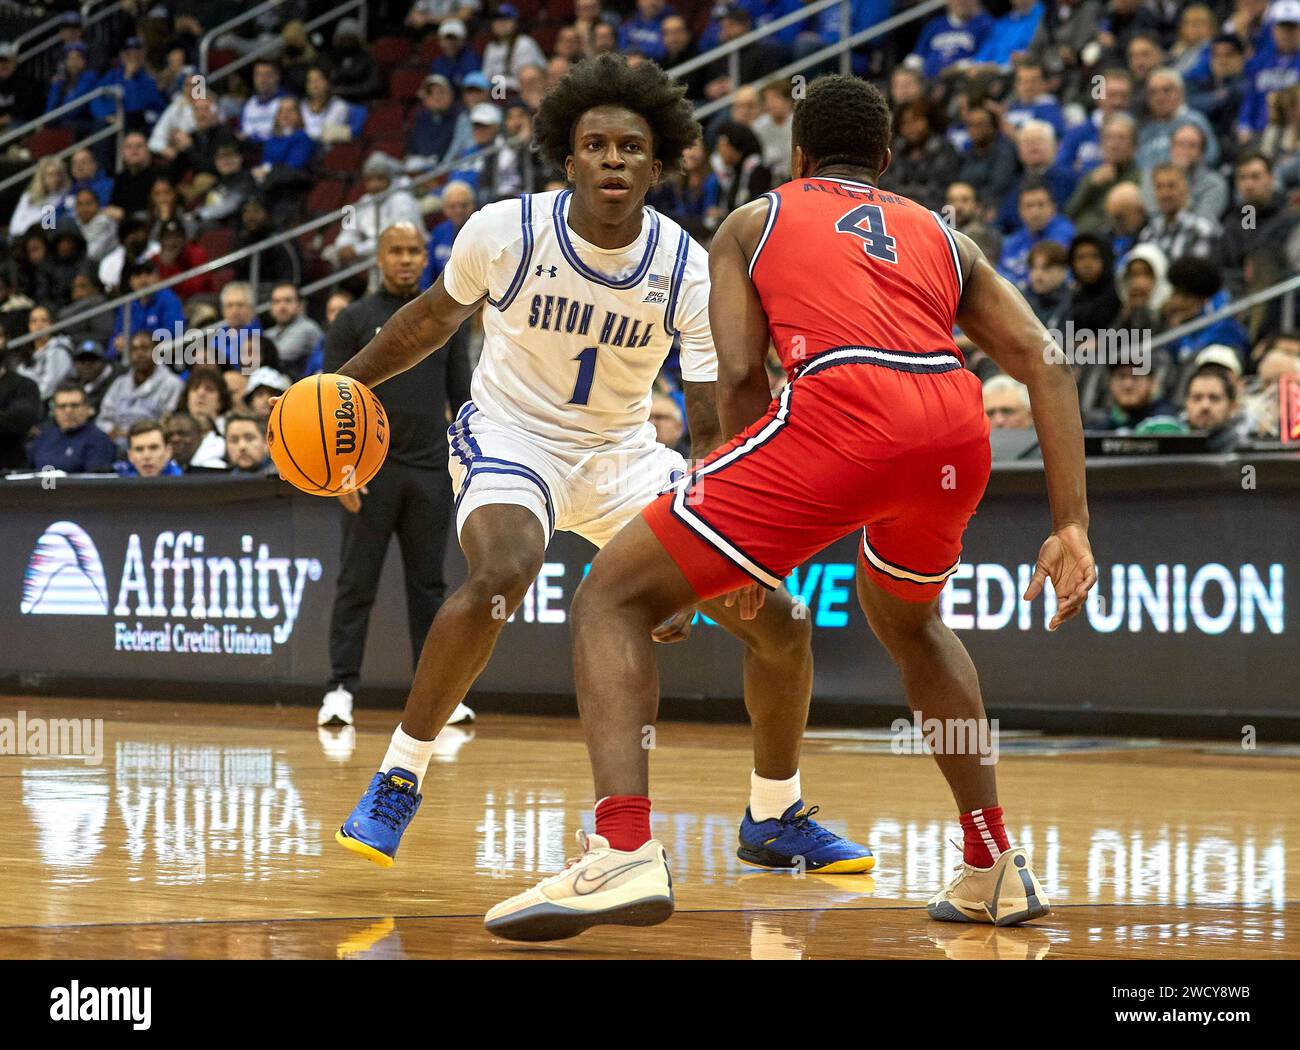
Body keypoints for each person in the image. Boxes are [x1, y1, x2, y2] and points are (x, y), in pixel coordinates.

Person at [490, 73, 1096, 940]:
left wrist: (740, 548)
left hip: (844, 404)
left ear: (797, 155)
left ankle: (622, 848)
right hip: (956, 429)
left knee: (611, 597)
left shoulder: (754, 219)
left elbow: (737, 376)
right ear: (884, 162)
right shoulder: (941, 234)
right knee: (912, 624)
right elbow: (1046, 361)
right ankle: (992, 863)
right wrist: (1070, 522)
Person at [328, 57, 874, 891]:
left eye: (631, 147)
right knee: (503, 574)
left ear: (658, 168)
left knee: (783, 621)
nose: (613, 159)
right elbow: (428, 322)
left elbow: (707, 421)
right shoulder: (505, 231)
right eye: (596, 145)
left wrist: (707, 547)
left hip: (625, 456)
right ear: (569, 159)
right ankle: (401, 773)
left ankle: (774, 815)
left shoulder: (688, 266)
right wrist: (343, 384)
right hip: (513, 437)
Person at [315, 223, 474, 730]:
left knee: (429, 587)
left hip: (430, 470)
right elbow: (328, 402)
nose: (406, 259)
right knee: (355, 584)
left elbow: (462, 400)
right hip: (368, 474)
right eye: (396, 251)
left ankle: (437, 700)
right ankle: (340, 689)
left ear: (426, 256)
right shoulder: (353, 320)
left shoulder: (446, 318)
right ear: (378, 258)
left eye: (414, 251)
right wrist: (341, 473)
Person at [97, 330, 184, 445]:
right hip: (116, 442)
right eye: (134, 349)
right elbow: (103, 418)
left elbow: (167, 422)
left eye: (145, 348)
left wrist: (133, 435)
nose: (139, 354)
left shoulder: (172, 383)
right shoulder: (120, 383)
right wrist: (111, 430)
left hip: (151, 443)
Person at [28, 381, 117, 473]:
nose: (68, 411)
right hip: (41, 486)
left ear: (87, 408)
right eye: (62, 406)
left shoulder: (98, 440)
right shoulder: (43, 438)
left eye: (75, 405)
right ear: (54, 411)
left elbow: (95, 482)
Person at [115, 419, 183, 477]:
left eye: (153, 448)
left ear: (168, 452)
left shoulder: (184, 481)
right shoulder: (116, 484)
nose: (146, 456)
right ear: (130, 456)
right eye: (139, 449)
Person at [224, 410, 276, 474]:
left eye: (249, 438)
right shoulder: (217, 480)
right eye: (234, 440)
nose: (242, 446)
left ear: (266, 442)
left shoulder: (285, 478)